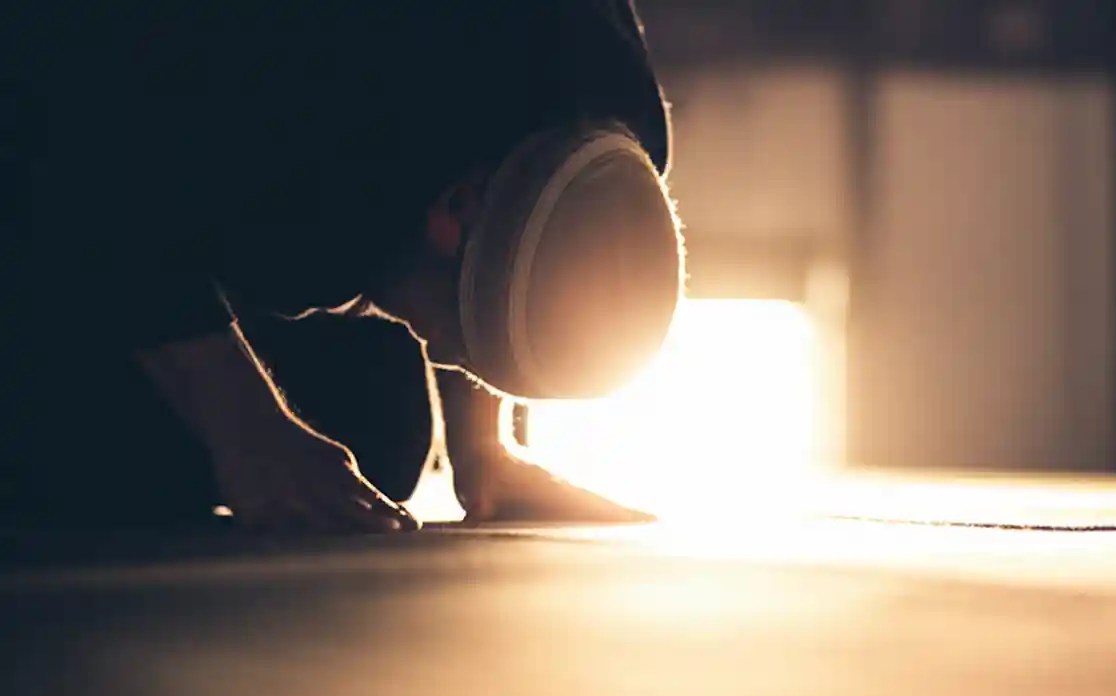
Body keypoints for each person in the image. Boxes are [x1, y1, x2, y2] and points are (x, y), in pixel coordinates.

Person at [0, 0, 684, 533]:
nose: (437, 349)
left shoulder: (615, 125)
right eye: (451, 335)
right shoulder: (294, 80)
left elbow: (517, 225)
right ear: (455, 202)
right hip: (45, 122)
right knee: (114, 447)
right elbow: (79, 154)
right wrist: (245, 423)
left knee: (376, 442)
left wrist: (486, 453)